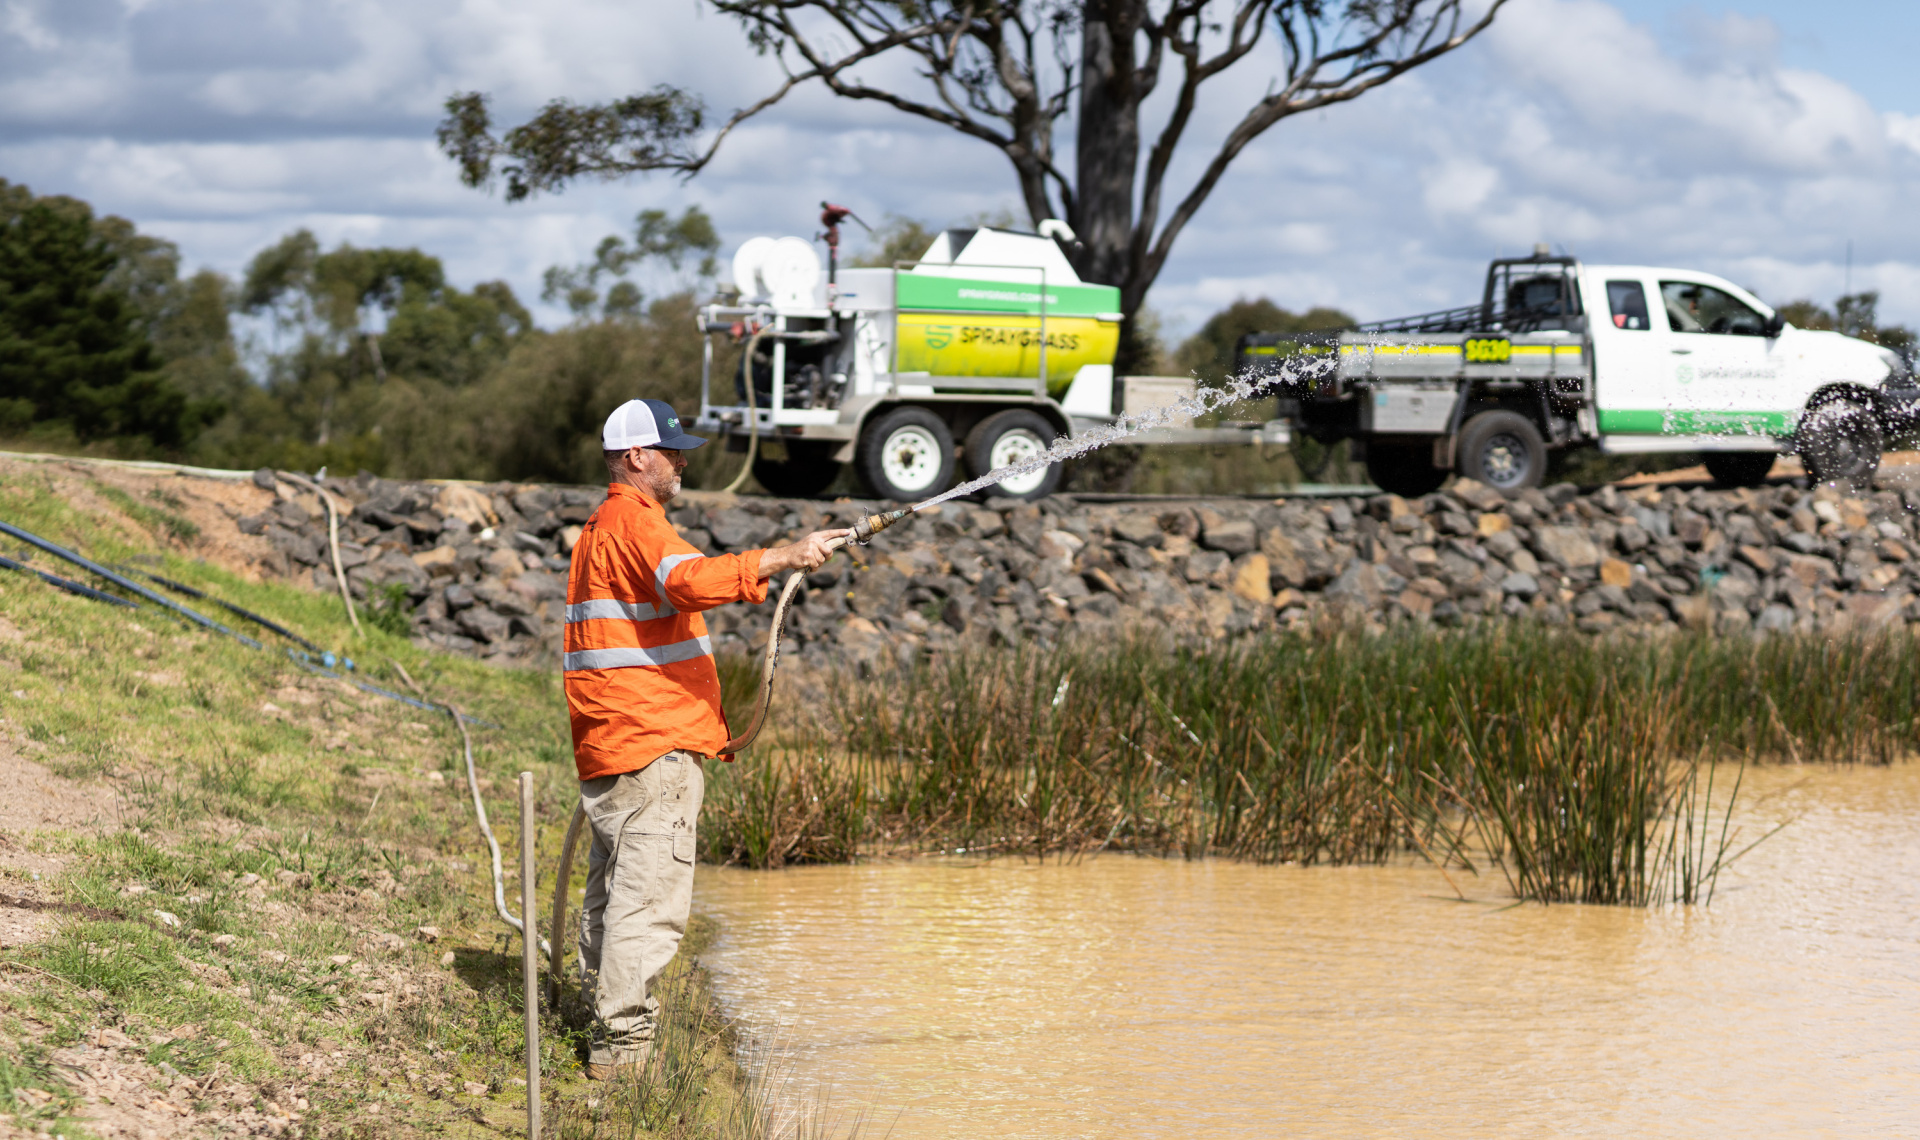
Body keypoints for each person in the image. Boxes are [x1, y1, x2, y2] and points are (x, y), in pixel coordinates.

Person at [566, 398, 848, 1079]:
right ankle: (623, 1059)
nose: (683, 459)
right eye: (672, 449)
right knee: (647, 906)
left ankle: (596, 1019)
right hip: (650, 747)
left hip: (616, 745)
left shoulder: (604, 528)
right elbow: (688, 581)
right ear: (637, 457)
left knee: (613, 899)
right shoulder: (635, 523)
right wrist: (784, 555)